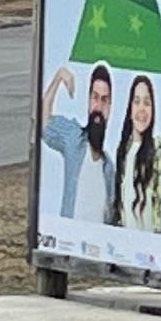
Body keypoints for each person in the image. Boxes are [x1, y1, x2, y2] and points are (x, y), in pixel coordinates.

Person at [102, 69, 161, 230]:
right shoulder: (122, 152)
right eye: (136, 101)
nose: (142, 109)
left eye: (147, 102)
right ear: (130, 109)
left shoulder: (158, 150)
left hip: (152, 250)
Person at [39, 65, 113, 221]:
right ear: (88, 101)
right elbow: (43, 123)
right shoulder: (74, 138)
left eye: (104, 100)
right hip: (70, 240)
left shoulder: (109, 168)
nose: (98, 106)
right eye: (95, 97)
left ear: (110, 108)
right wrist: (59, 76)